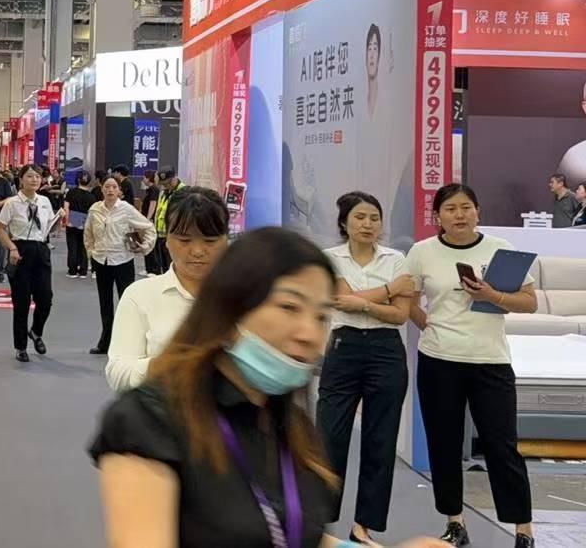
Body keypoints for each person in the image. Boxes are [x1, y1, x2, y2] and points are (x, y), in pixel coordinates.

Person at [90, 227, 448, 548]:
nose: (309, 333)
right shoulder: (150, 421)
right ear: (231, 309)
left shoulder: (289, 425)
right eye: (289, 307)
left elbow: (289, 532)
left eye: (321, 316)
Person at [408, 183, 537, 548]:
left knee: (502, 446)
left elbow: (529, 302)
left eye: (466, 207)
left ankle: (523, 529)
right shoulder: (422, 252)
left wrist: (491, 295)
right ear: (437, 216)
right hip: (438, 361)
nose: (459, 215)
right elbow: (408, 299)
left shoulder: (501, 249)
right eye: (450, 209)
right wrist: (430, 325)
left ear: (478, 211)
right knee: (444, 445)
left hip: (490, 360)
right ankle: (455, 523)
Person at [317, 192, 414, 546]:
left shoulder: (396, 259)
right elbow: (340, 301)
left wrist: (364, 303)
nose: (368, 224)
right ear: (344, 222)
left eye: (374, 217)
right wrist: (388, 290)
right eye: (360, 217)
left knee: (381, 441)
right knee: (329, 437)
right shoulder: (330, 258)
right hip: (343, 348)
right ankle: (320, 525)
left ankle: (363, 529)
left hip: (387, 352)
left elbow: (400, 315)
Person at [106, 188, 229, 392]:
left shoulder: (247, 295)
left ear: (226, 240)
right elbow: (118, 374)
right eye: (184, 240)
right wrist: (171, 363)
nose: (197, 251)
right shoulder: (139, 296)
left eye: (210, 241)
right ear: (167, 240)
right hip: (163, 410)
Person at [0, 164, 62, 363]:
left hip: (41, 250)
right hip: (20, 251)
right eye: (30, 176)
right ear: (21, 180)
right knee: (21, 303)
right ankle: (21, 346)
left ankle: (36, 331)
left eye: (38, 177)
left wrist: (59, 220)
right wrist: (11, 248)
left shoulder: (45, 201)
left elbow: (48, 227)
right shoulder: (12, 203)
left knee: (46, 299)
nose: (34, 180)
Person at [86, 176, 156, 356]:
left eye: (114, 187)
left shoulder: (127, 209)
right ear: (101, 189)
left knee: (127, 303)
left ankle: (129, 343)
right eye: (107, 186)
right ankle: (105, 341)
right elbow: (88, 233)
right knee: (105, 303)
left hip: (122, 261)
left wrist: (145, 246)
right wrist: (91, 252)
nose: (110, 190)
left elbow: (148, 227)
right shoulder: (95, 209)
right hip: (102, 261)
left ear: (119, 191)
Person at [153, 167, 187, 274]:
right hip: (161, 237)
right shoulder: (164, 192)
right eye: (163, 184)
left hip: (175, 237)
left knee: (175, 269)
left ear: (175, 177)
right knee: (165, 269)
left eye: (168, 182)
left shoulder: (184, 192)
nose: (166, 185)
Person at [64, 171, 96, 278]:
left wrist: (66, 221)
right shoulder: (92, 196)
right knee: (84, 247)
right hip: (85, 222)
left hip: (72, 221)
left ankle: (72, 271)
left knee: (72, 246)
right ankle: (83, 271)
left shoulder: (71, 192)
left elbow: (66, 208)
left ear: (78, 180)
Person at [139, 171, 162, 275]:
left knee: (151, 245)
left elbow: (153, 204)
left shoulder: (154, 190)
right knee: (147, 244)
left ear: (148, 178)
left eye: (144, 177)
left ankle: (154, 269)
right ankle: (148, 268)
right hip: (147, 220)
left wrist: (148, 219)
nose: (143, 180)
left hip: (150, 221)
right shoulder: (150, 190)